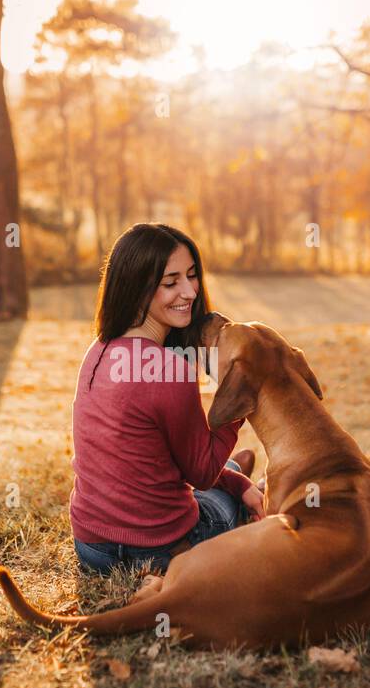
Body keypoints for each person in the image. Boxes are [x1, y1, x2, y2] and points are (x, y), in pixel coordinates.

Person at [69, 223, 263, 575]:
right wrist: (240, 399)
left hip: (93, 551)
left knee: (222, 475)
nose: (189, 291)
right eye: (171, 282)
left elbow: (154, 460)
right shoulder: (170, 369)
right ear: (136, 287)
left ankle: (236, 475)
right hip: (164, 551)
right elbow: (201, 473)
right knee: (225, 491)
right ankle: (241, 480)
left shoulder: (98, 351)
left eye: (191, 276)